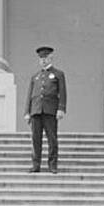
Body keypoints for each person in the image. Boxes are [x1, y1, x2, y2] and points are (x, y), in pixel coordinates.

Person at [24, 45, 67, 173]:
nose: (43, 60)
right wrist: (27, 111)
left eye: (46, 57)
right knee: (36, 139)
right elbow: (30, 95)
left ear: (51, 58)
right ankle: (35, 164)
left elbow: (63, 93)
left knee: (52, 139)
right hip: (36, 111)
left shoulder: (58, 74)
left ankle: (52, 165)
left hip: (50, 110)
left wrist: (61, 109)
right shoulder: (35, 76)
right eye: (41, 58)